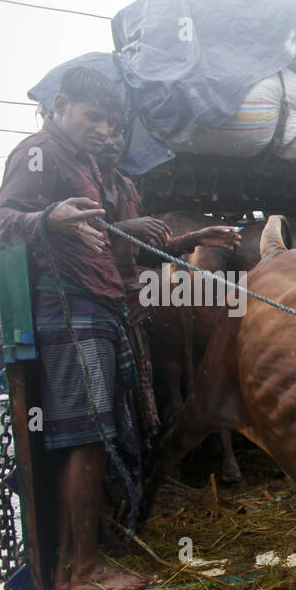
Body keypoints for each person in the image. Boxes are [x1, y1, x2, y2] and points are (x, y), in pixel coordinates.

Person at [0, 67, 156, 590]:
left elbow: (102, 233)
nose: (104, 129)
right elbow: (0, 217)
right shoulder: (39, 152)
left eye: (110, 121)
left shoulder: (81, 160)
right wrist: (46, 219)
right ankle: (83, 571)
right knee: (86, 437)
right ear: (60, 106)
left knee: (96, 434)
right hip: (68, 308)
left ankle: (69, 563)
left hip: (97, 305)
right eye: (92, 116)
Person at [95, 123, 240, 439]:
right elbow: (77, 240)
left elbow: (145, 254)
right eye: (99, 126)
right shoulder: (76, 181)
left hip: (132, 314)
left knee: (145, 393)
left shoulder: (126, 186)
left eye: (117, 130)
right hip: (94, 313)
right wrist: (124, 228)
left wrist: (194, 239)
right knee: (102, 419)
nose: (110, 138)